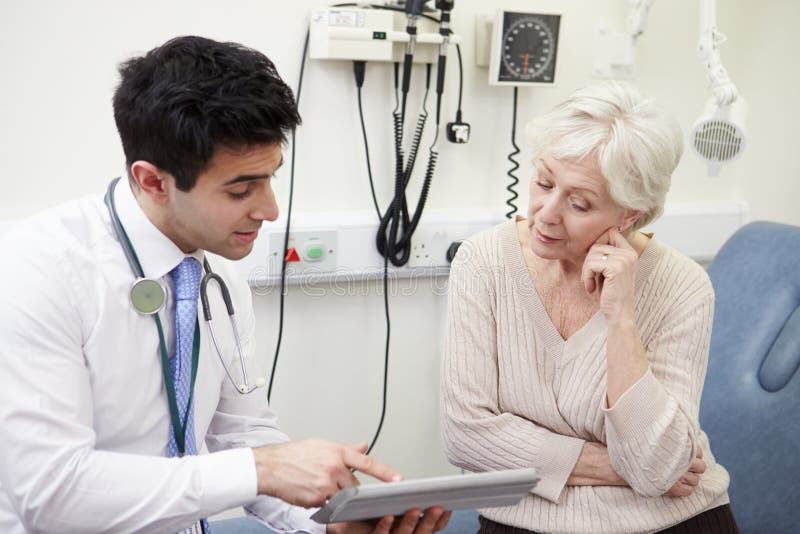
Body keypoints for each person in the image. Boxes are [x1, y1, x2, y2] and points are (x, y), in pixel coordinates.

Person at [0, 36, 450, 534]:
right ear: (153, 181)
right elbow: (52, 493)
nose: (269, 210)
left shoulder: (215, 272)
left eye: (270, 178)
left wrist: (324, 524)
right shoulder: (37, 270)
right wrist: (262, 470)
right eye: (241, 189)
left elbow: (239, 434)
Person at [440, 81, 738, 533]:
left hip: (674, 522)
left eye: (579, 203)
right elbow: (466, 436)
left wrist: (621, 319)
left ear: (630, 215)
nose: (545, 213)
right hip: (522, 523)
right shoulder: (483, 262)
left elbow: (657, 466)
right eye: (543, 182)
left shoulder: (683, 285)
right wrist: (618, 467)